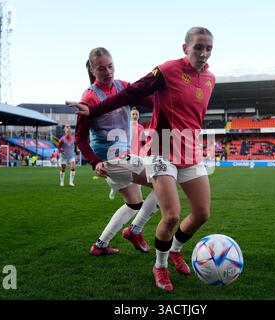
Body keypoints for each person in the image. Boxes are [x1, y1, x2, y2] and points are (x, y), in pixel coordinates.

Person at [70, 27, 216, 292]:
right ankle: (157, 262)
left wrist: (167, 96)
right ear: (185, 48)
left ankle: (156, 244)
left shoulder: (209, 79)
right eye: (198, 47)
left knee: (199, 212)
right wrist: (94, 158)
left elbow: (145, 96)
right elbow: (129, 96)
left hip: (183, 152)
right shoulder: (92, 95)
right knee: (165, 212)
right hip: (121, 156)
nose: (203, 53)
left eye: (208, 48)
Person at [69, 47, 158, 256]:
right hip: (110, 158)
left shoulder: (122, 86)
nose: (108, 72)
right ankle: (135, 231)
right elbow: (80, 138)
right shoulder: (89, 97)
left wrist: (169, 100)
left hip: (121, 155)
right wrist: (94, 162)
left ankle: (100, 245)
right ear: (92, 70)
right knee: (164, 181)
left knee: (134, 204)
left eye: (111, 66)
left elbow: (150, 100)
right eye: (102, 68)